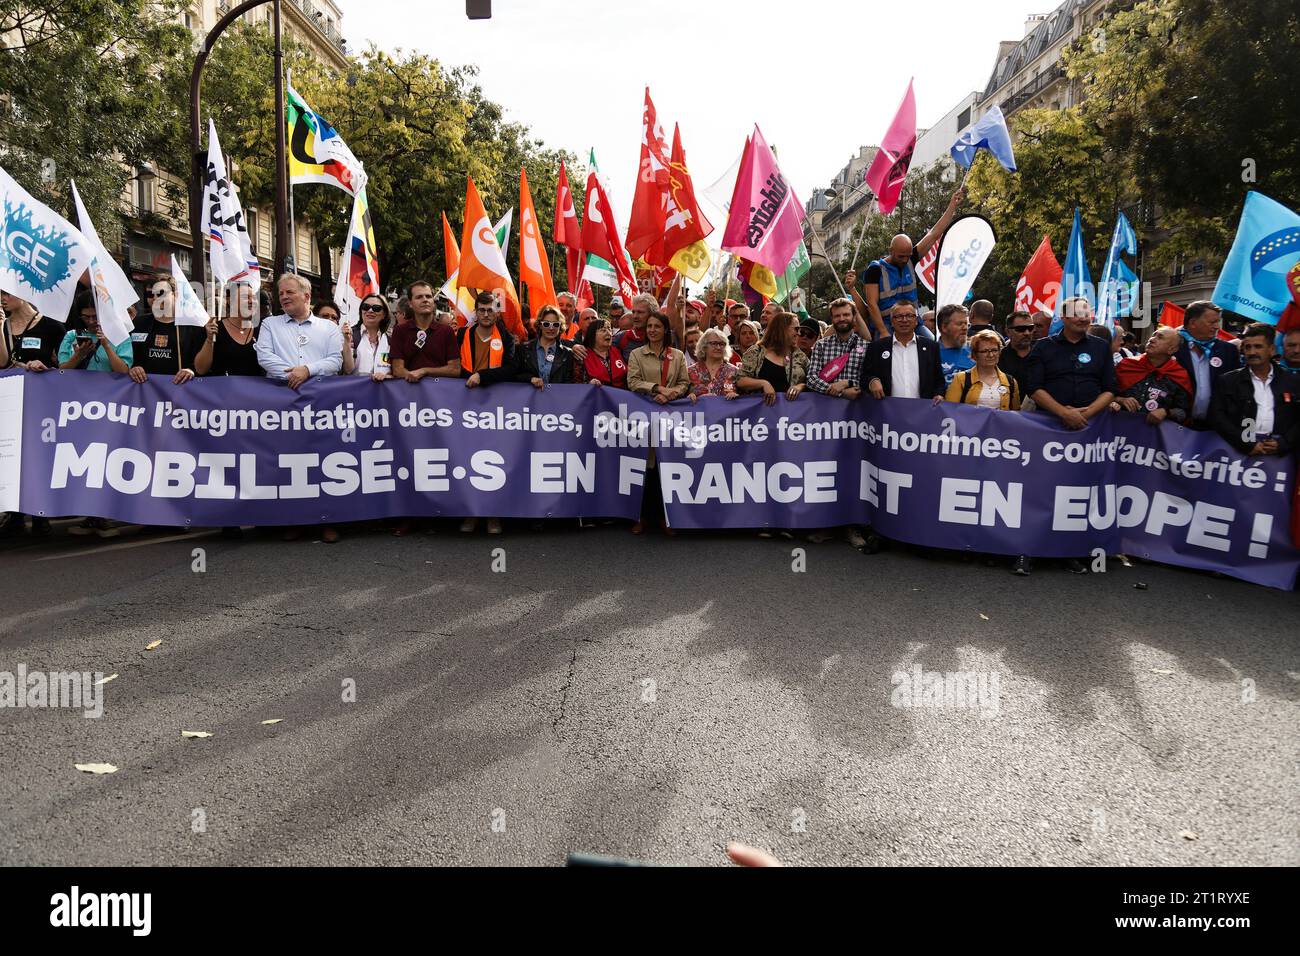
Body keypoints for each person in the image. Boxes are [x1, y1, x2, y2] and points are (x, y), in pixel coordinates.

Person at [1024, 296, 1115, 574]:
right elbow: (1034, 387)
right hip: (1048, 430)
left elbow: (1110, 388)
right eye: (1076, 314)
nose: (1083, 318)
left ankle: (1069, 549)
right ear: (1062, 318)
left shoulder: (1101, 348)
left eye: (1087, 313)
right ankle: (1028, 549)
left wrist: (1083, 416)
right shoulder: (1043, 347)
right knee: (1040, 491)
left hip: (1087, 433)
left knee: (1076, 493)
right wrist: (1063, 414)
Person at [255, 273, 344, 543]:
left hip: (320, 405)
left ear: (306, 296)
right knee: (290, 463)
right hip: (283, 405)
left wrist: (308, 370)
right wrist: (292, 374)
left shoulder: (328, 328)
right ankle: (294, 520)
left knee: (324, 463)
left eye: (289, 292)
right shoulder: (270, 324)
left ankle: (328, 521)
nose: (283, 297)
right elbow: (264, 356)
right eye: (280, 293)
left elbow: (335, 361)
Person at [860, 184, 964, 339]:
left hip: (913, 321)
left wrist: (952, 205)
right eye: (901, 256)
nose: (904, 260)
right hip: (887, 323)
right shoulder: (875, 269)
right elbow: (872, 304)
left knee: (931, 344)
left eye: (907, 256)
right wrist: (882, 331)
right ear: (891, 251)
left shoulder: (911, 258)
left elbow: (934, 233)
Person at [805, 298, 868, 549]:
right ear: (832, 318)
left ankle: (851, 525)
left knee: (851, 472)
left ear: (853, 317)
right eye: (837, 316)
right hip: (824, 420)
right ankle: (824, 522)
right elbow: (811, 378)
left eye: (845, 315)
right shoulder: (821, 346)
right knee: (825, 471)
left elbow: (868, 378)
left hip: (854, 422)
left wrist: (850, 384)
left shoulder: (865, 346)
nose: (841, 319)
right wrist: (840, 390)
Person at [626, 311, 690, 536]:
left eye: (657, 326)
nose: (652, 330)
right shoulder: (636, 354)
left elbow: (684, 383)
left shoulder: (678, 356)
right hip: (644, 417)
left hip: (670, 418)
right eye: (649, 326)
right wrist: (657, 389)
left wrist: (672, 394)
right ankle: (641, 517)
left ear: (665, 330)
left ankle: (665, 518)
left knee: (666, 467)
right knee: (645, 467)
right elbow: (632, 381)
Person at [1208, 323, 1300, 456]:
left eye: (1258, 347)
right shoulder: (1227, 380)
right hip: (1237, 456)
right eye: (1247, 347)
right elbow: (1217, 417)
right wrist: (1245, 444)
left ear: (1272, 349)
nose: (1252, 352)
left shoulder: (1293, 382)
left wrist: (1284, 443)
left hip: (1280, 457)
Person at [128, 274, 206, 384]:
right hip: (144, 392)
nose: (155, 298)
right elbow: (127, 357)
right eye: (150, 294)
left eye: (160, 293)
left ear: (175, 295)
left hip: (181, 391)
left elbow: (204, 365)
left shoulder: (193, 326)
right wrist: (133, 368)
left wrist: (191, 371)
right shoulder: (138, 323)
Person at [1174, 300, 1241, 427]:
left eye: (1218, 322)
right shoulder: (1173, 347)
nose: (1217, 327)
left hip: (1215, 428)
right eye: (1212, 322)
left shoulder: (1228, 350)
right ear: (1193, 323)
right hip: (1176, 426)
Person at [1109, 325, 1193, 425]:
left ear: (1172, 349)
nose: (1152, 339)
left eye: (1160, 337)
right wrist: (1118, 400)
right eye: (1153, 335)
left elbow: (1184, 413)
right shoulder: (1126, 365)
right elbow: (1105, 394)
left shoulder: (1179, 375)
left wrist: (1166, 412)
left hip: (1155, 436)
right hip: (1118, 432)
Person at [865, 300, 945, 401]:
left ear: (916, 320)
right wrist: (872, 381)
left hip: (922, 411)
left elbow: (939, 380)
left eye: (909, 315)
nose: (904, 320)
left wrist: (939, 394)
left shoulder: (931, 347)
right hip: (886, 411)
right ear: (892, 322)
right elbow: (864, 376)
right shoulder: (877, 347)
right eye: (898, 316)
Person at [389, 280, 458, 383]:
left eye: (428, 296)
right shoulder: (400, 331)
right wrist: (413, 377)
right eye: (419, 297)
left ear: (433, 301)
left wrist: (424, 371)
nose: (425, 300)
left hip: (439, 392)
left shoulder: (446, 331)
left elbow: (455, 369)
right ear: (410, 303)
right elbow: (397, 370)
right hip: (409, 392)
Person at [738, 311, 808, 406]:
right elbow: (740, 380)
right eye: (796, 329)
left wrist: (801, 386)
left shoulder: (799, 355)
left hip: (792, 414)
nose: (799, 333)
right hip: (760, 414)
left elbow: (812, 380)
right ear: (782, 329)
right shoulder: (756, 351)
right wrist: (763, 383)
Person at [57, 291, 133, 374]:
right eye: (86, 317)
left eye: (95, 316)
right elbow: (62, 371)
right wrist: (78, 355)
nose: (91, 321)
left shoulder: (120, 336)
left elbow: (123, 371)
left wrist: (107, 347)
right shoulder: (71, 336)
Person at [197, 283, 264, 377]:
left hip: (256, 390)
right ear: (229, 300)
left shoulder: (264, 329)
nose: (251, 301)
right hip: (224, 390)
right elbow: (200, 369)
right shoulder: (214, 329)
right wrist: (209, 340)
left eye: (254, 297)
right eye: (245, 297)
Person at [944, 330, 1021, 410]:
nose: (991, 355)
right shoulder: (960, 379)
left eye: (994, 350)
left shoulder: (1010, 382)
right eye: (984, 351)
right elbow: (950, 411)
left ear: (999, 352)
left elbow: (1015, 415)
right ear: (974, 355)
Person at [459, 291, 514, 381]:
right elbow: (455, 366)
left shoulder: (507, 338)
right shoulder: (462, 334)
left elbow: (510, 370)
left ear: (498, 313)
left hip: (494, 392)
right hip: (466, 389)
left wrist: (481, 376)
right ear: (476, 312)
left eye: (490, 310)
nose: (485, 315)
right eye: (481, 310)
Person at [1, 290, 63, 371]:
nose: (1, 298)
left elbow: (66, 369)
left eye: (6, 293)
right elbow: (2, 364)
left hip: (41, 382)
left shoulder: (52, 325)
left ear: (23, 291)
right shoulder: (2, 325)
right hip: (8, 382)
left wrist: (45, 368)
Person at [573, 318, 627, 388]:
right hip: (596, 396)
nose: (608, 333)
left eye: (609, 329)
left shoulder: (619, 350)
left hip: (621, 396)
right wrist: (588, 384)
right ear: (593, 335)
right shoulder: (582, 354)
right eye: (603, 330)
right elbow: (577, 384)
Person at [689, 327, 740, 399]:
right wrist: (689, 397)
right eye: (714, 343)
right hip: (699, 409)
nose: (718, 347)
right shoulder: (691, 371)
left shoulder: (735, 371)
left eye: (722, 344)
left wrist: (736, 396)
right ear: (704, 346)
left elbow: (747, 398)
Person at [353, 294, 393, 380]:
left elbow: (396, 372)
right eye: (365, 307)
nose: (370, 310)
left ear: (384, 314)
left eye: (376, 308)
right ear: (361, 311)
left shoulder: (392, 340)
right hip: (354, 390)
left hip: (381, 391)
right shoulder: (349, 335)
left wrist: (387, 376)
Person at [998, 310, 1035, 397]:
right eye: (1020, 329)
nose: (1027, 333)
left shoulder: (1043, 355)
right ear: (1007, 332)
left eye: (1030, 328)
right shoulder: (998, 357)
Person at [936, 304, 973, 386]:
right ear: (944, 327)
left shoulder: (976, 351)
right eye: (960, 324)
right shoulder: (929, 353)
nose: (965, 328)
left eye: (966, 324)